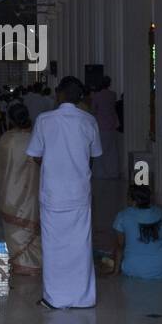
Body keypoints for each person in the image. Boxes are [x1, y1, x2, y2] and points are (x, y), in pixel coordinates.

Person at [27, 75, 102, 309]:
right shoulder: (88, 121)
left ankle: (54, 297)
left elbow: (35, 154)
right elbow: (93, 157)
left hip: (53, 192)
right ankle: (83, 297)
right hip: (79, 191)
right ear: (80, 97)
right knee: (81, 244)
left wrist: (51, 166)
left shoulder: (44, 120)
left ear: (59, 94)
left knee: (52, 245)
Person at [0, 102, 41, 275]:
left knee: (14, 230)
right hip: (32, 193)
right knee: (33, 229)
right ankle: (34, 264)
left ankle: (21, 264)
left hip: (10, 193)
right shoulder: (36, 138)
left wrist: (1, 186)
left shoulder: (7, 139)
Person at [112, 185, 162, 278]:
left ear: (133, 202)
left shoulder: (122, 215)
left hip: (133, 268)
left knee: (123, 242)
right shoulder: (161, 212)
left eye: (128, 198)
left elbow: (120, 246)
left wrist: (115, 271)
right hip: (161, 267)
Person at [91, 76, 121, 179]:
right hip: (112, 125)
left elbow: (93, 110)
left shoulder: (97, 96)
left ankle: (100, 173)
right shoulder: (113, 95)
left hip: (100, 126)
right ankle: (113, 172)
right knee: (112, 151)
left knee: (100, 150)